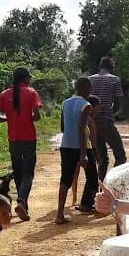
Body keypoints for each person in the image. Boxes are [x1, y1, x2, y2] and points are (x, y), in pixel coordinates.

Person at [0, 66, 42, 221]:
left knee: (19, 172)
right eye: (29, 77)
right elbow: (37, 116)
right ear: (25, 78)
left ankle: (24, 207)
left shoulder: (4, 94)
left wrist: (9, 119)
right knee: (28, 173)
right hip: (29, 137)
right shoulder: (31, 92)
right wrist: (28, 119)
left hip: (13, 138)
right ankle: (21, 201)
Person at [56, 78, 99, 224]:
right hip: (81, 146)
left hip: (66, 145)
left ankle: (59, 215)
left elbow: (62, 126)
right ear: (86, 88)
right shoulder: (86, 105)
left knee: (65, 180)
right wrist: (83, 154)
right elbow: (82, 127)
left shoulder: (66, 103)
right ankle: (93, 206)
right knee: (93, 176)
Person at [89, 56, 126, 181]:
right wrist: (111, 113)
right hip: (106, 122)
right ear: (112, 68)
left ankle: (100, 187)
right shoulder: (115, 80)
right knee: (120, 156)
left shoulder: (90, 79)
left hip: (92, 123)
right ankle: (112, 183)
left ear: (100, 67)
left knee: (102, 159)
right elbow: (117, 103)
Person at [71, 94, 101, 207]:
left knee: (75, 175)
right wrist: (95, 152)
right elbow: (93, 138)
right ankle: (91, 203)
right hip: (87, 149)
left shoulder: (77, 117)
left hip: (73, 148)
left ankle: (77, 199)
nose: (99, 110)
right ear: (92, 106)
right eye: (98, 107)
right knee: (93, 177)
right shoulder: (89, 119)